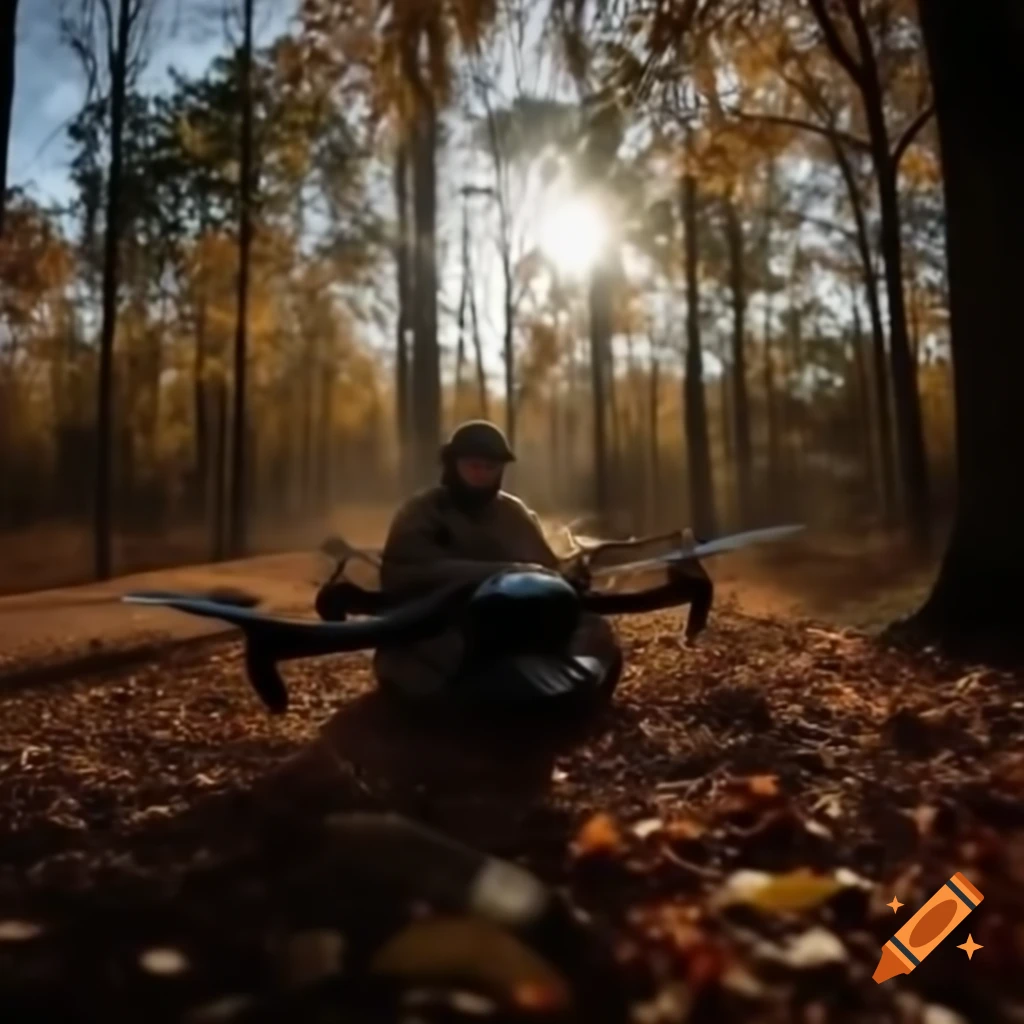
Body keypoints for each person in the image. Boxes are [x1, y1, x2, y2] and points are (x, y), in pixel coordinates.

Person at [370, 420, 622, 703]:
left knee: (593, 631)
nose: (481, 474)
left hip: (516, 621)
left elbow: (547, 569)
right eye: (473, 466)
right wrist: (496, 574)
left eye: (490, 468)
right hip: (445, 620)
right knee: (436, 652)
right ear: (452, 465)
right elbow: (401, 575)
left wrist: (569, 576)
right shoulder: (422, 512)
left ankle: (544, 689)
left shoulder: (512, 513)